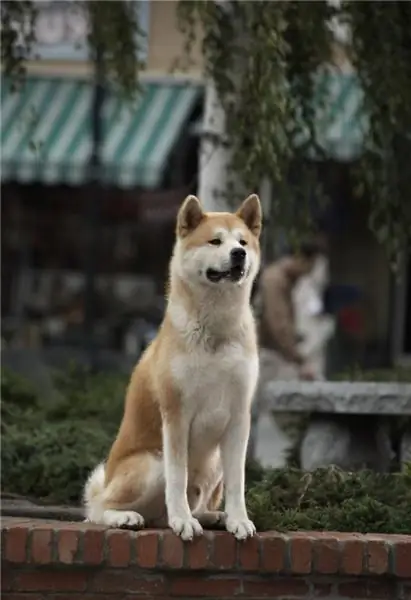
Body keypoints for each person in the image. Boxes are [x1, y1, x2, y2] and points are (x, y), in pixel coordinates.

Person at [257, 241, 326, 382]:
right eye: (309, 267)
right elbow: (279, 325)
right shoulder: (275, 280)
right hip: (266, 355)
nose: (307, 274)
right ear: (300, 258)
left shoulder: (286, 281)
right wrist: (297, 358)